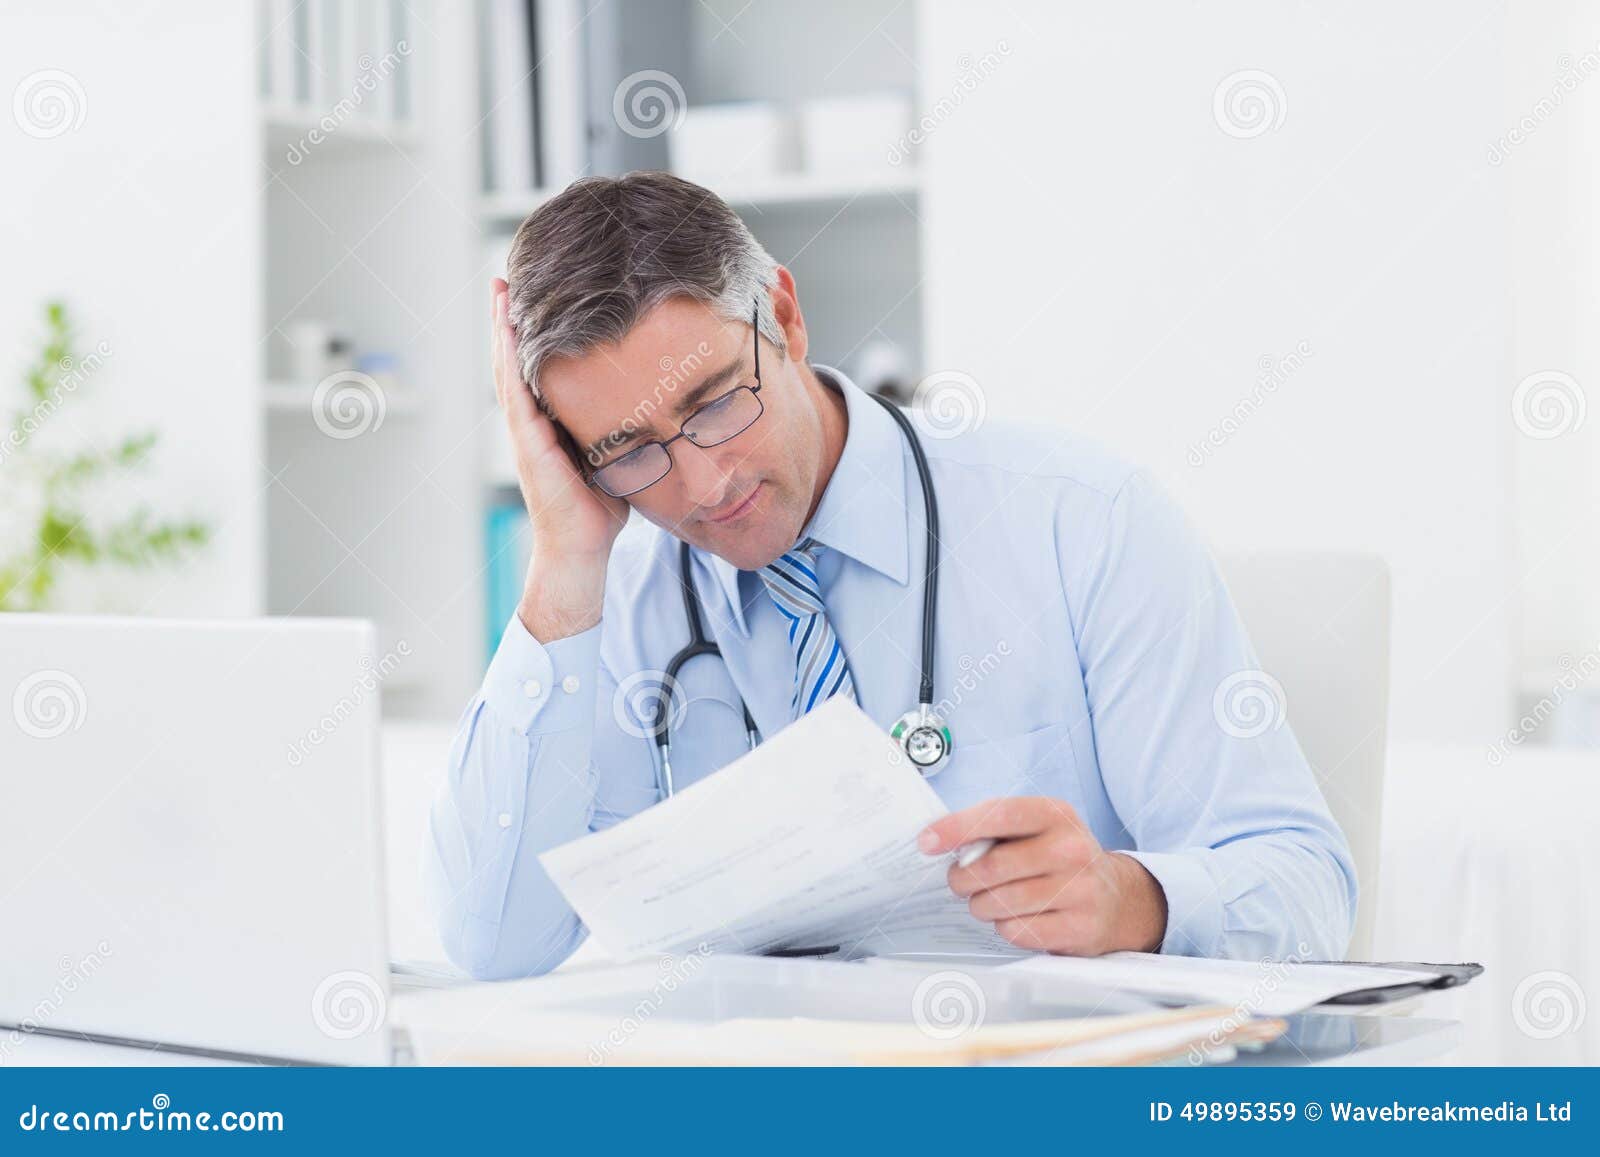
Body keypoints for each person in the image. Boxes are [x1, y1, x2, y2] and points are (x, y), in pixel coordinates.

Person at [426, 171, 1355, 980]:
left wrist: (1134, 899)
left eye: (714, 400)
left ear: (784, 315)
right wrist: (562, 566)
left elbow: (1308, 887)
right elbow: (492, 943)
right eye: (628, 451)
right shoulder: (614, 600)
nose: (705, 484)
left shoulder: (1081, 518)